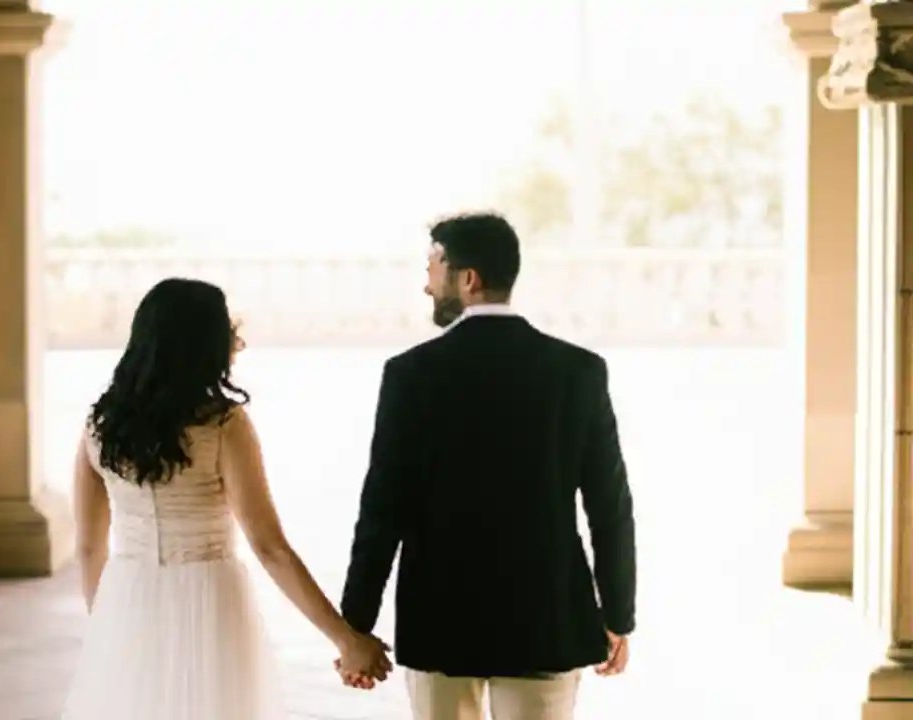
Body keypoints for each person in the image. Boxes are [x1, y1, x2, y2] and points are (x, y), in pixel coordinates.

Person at [339, 213, 637, 720]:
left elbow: (382, 510)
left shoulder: (411, 374)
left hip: (441, 616)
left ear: (467, 278)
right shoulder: (578, 372)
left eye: (434, 266)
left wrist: (355, 627)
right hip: (545, 616)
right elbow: (610, 506)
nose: (426, 282)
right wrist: (617, 614)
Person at [63, 278, 392, 720]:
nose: (237, 338)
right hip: (209, 599)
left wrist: (104, 624)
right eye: (227, 328)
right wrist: (346, 640)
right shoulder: (224, 425)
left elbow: (87, 547)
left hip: (126, 595)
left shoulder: (98, 426)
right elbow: (270, 547)